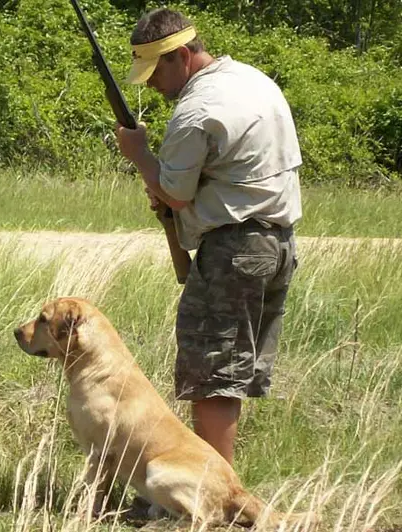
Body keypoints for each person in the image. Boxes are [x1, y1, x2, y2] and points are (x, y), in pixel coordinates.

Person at [114, 7, 302, 465]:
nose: (152, 84)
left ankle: (211, 496)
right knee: (229, 371)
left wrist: (138, 154)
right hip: (277, 245)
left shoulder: (196, 108)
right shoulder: (253, 79)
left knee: (212, 373)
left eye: (155, 71)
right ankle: (218, 485)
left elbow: (175, 195)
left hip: (234, 249)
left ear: (180, 55)